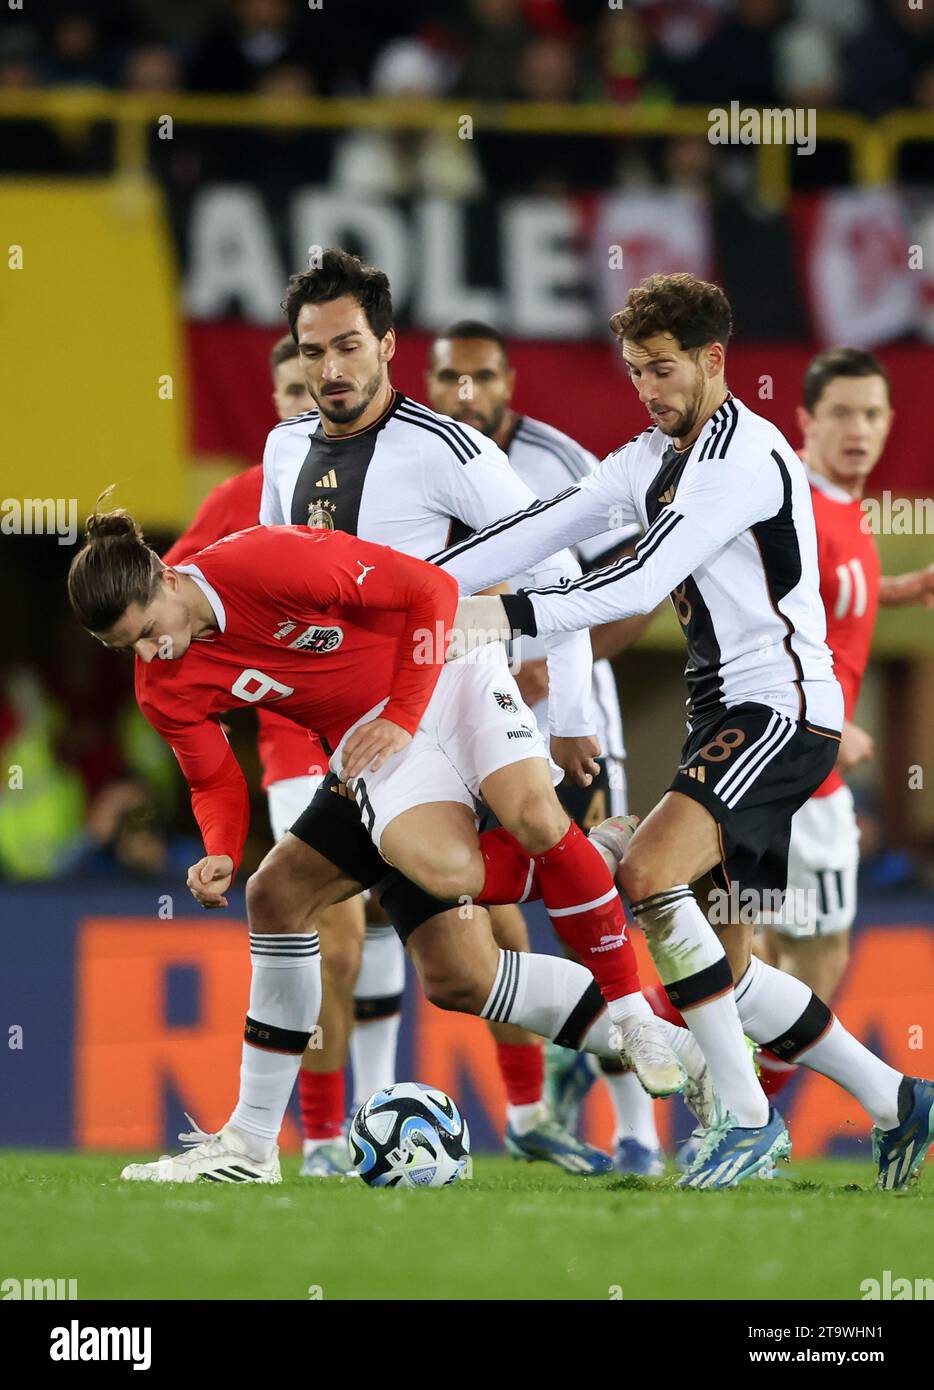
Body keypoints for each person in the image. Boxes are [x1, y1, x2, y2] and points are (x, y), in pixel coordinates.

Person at [433, 272, 933, 1191]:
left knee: (645, 872)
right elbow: (543, 524)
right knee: (727, 965)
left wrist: (492, 621)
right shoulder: (648, 457)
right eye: (634, 372)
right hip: (731, 719)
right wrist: (416, 584)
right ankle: (901, 1099)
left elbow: (630, 585)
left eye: (663, 369)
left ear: (714, 360)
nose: (649, 390)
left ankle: (745, 1119)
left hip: (779, 712)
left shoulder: (742, 457)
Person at [67, 513, 710, 1184]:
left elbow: (431, 590)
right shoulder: (163, 684)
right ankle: (252, 1149)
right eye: (128, 648)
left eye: (148, 632)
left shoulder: (266, 560)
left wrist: (402, 717)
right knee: (380, 924)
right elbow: (213, 777)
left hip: (446, 669)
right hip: (372, 745)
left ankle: (603, 908)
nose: (150, 654)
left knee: (535, 819)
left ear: (168, 578)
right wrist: (222, 846)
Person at [425, 319, 666, 1175]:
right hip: (461, 726)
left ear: (510, 380)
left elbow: (634, 592)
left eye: (483, 376)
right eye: (452, 377)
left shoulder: (560, 462)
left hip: (567, 727)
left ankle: (637, 1125)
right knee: (484, 919)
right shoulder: (422, 454)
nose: (468, 393)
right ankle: (534, 1102)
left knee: (597, 912)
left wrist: (551, 671)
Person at [162, 334, 405, 1178]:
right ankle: (333, 1140)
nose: (308, 402)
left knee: (405, 925)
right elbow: (168, 608)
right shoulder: (240, 500)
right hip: (295, 750)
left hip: (394, 723)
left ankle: (379, 1111)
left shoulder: (387, 477)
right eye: (292, 392)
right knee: (334, 942)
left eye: (317, 387)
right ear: (275, 404)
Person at [752, 347, 934, 1097]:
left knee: (770, 948)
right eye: (841, 414)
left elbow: (826, 603)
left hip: (794, 767)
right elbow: (759, 628)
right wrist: (830, 722)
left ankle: (724, 1095)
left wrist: (895, 588)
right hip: (798, 765)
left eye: (871, 413)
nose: (857, 428)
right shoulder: (793, 505)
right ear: (806, 419)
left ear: (890, 421)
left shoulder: (842, 505)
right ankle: (729, 1102)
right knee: (811, 957)